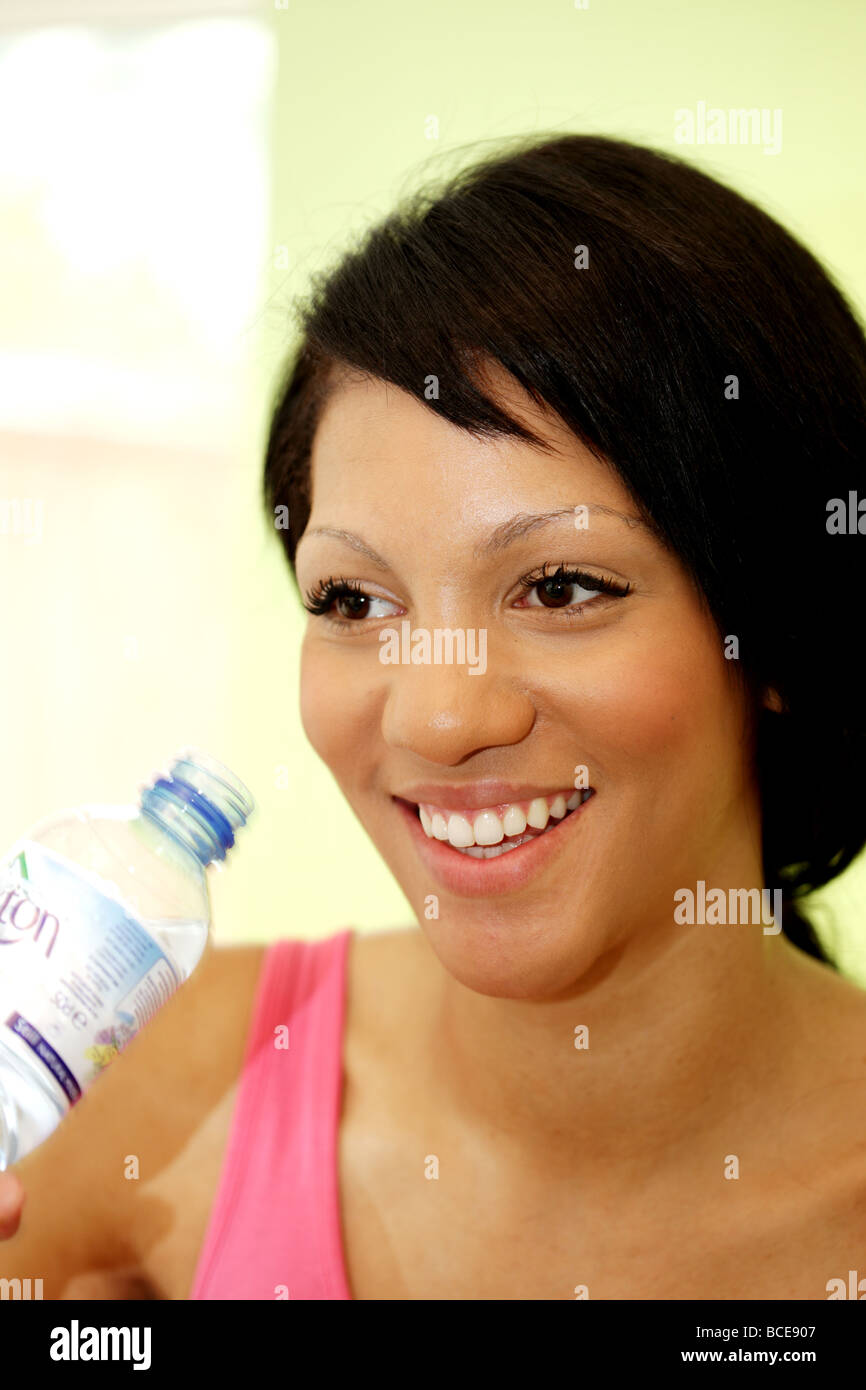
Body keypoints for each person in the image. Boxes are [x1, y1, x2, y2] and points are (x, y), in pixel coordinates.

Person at [2, 133, 865, 1300]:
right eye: (352, 600)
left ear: (777, 629)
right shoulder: (137, 1076)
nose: (438, 716)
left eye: (560, 588)